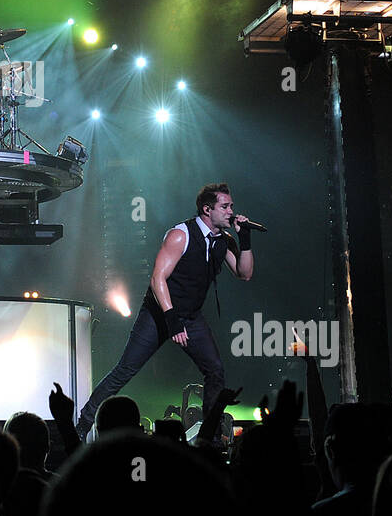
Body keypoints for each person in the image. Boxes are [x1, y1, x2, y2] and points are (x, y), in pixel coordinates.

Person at [75, 183, 256, 442]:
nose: (231, 212)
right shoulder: (180, 234)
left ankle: (211, 437)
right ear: (207, 209)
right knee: (125, 369)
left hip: (191, 316)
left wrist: (245, 238)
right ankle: (83, 423)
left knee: (215, 371)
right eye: (225, 207)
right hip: (159, 313)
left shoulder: (223, 241)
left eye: (232, 207)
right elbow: (158, 278)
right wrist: (172, 321)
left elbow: (244, 273)